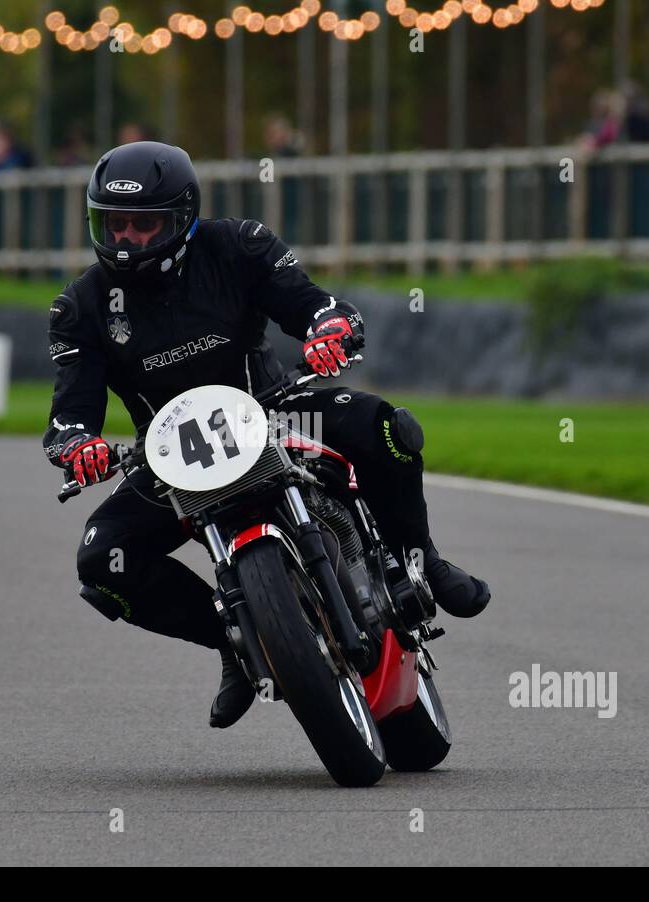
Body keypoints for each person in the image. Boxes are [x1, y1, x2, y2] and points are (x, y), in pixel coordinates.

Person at [42, 141, 490, 729]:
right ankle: (231, 639)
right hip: (173, 457)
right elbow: (69, 413)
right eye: (114, 224)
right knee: (102, 559)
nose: (127, 239)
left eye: (144, 226)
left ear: (182, 218)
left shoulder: (238, 245)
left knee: (387, 427)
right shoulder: (80, 305)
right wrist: (79, 446)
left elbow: (314, 305)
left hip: (275, 410)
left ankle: (421, 559)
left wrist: (328, 328)